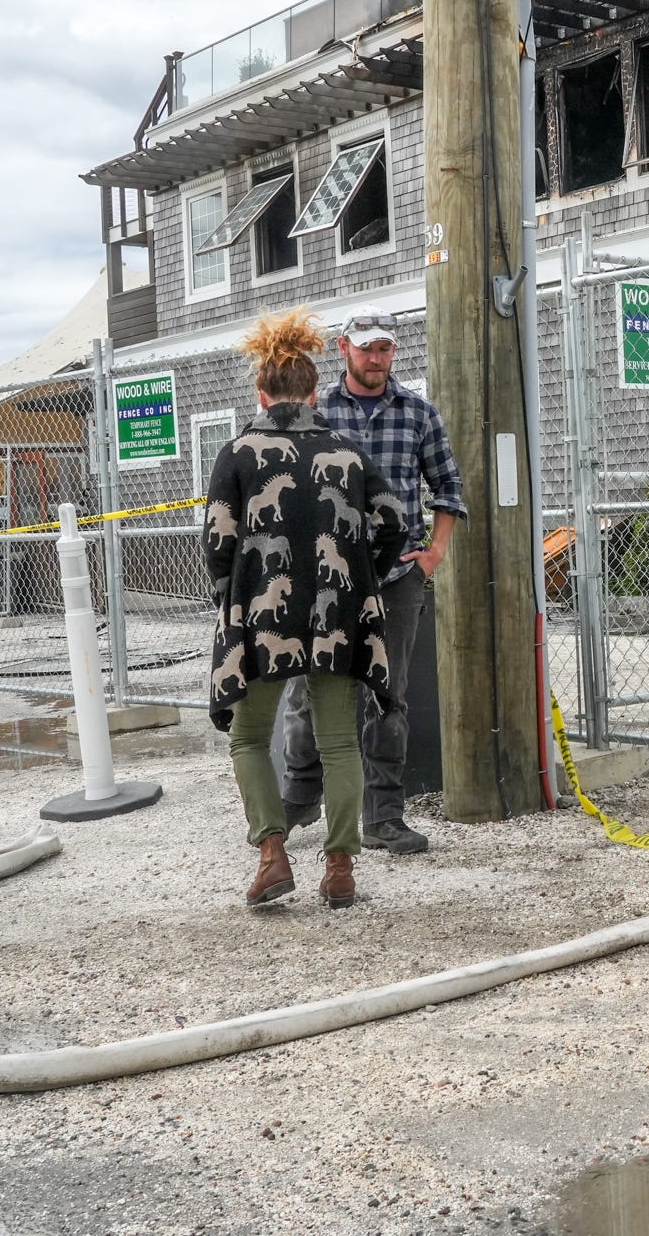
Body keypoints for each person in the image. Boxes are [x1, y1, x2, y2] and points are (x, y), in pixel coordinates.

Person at [204, 308, 408, 909]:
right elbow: (393, 521)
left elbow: (217, 541)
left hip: (261, 619)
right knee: (341, 742)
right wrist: (365, 568)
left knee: (248, 738)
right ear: (314, 392)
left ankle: (272, 856)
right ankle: (340, 868)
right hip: (336, 612)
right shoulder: (345, 453)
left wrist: (232, 594)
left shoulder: (237, 452)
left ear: (261, 392)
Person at [277, 303, 466, 855]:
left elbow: (448, 489)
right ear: (344, 349)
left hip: (396, 576)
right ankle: (299, 796)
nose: (377, 358)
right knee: (305, 687)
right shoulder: (315, 408)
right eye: (367, 349)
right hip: (323, 576)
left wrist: (433, 553)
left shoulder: (418, 413)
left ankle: (383, 815)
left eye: (385, 348)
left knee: (388, 695)